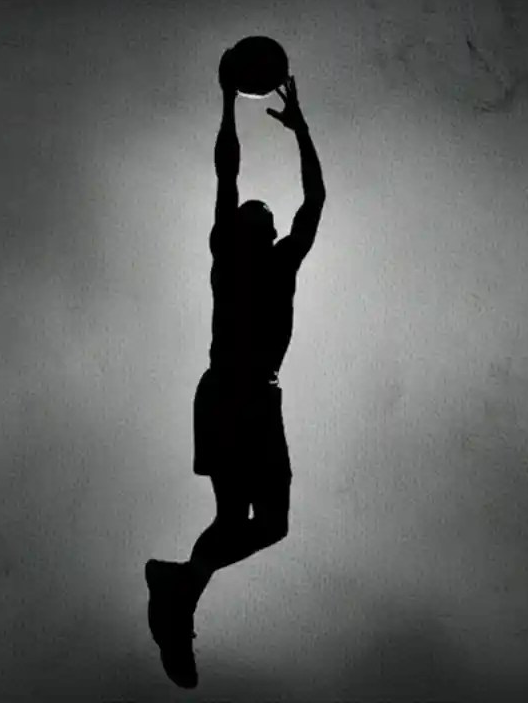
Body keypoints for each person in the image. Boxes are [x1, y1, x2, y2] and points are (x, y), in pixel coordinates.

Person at [145, 54, 326, 689]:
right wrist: (228, 102)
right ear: (248, 228)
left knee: (265, 525)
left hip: (253, 397)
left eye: (266, 215)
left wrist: (300, 130)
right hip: (228, 392)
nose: (267, 215)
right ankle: (178, 595)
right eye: (259, 213)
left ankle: (178, 589)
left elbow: (313, 201)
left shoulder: (280, 262)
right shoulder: (232, 256)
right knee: (247, 522)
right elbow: (229, 170)